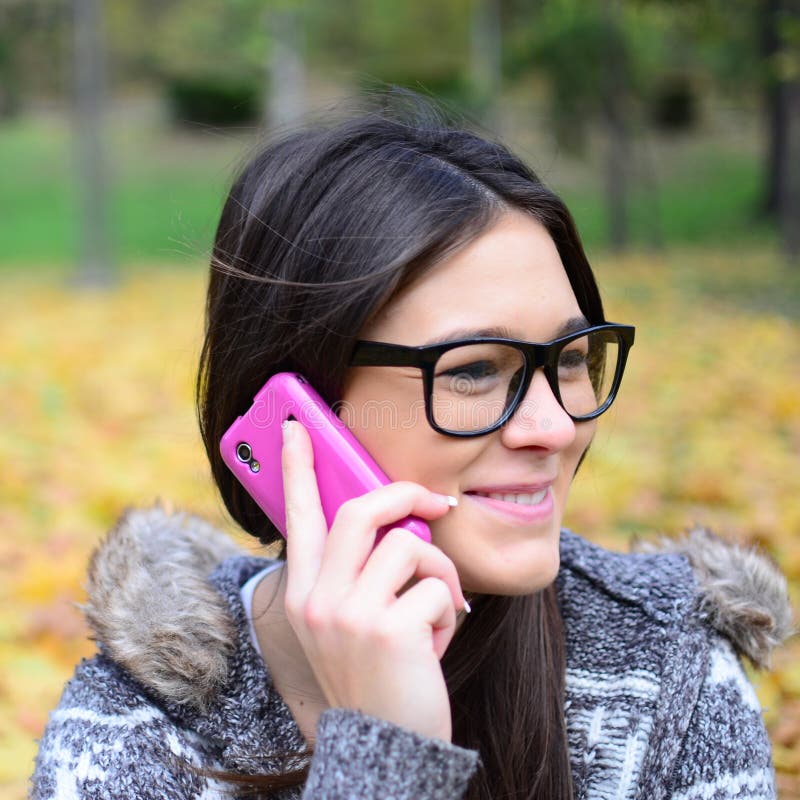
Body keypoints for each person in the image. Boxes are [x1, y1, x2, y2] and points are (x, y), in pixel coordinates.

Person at [31, 93, 792, 800]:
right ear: (299, 414)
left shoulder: (666, 668)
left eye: (568, 360)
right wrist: (387, 760)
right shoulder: (135, 731)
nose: (555, 427)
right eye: (473, 370)